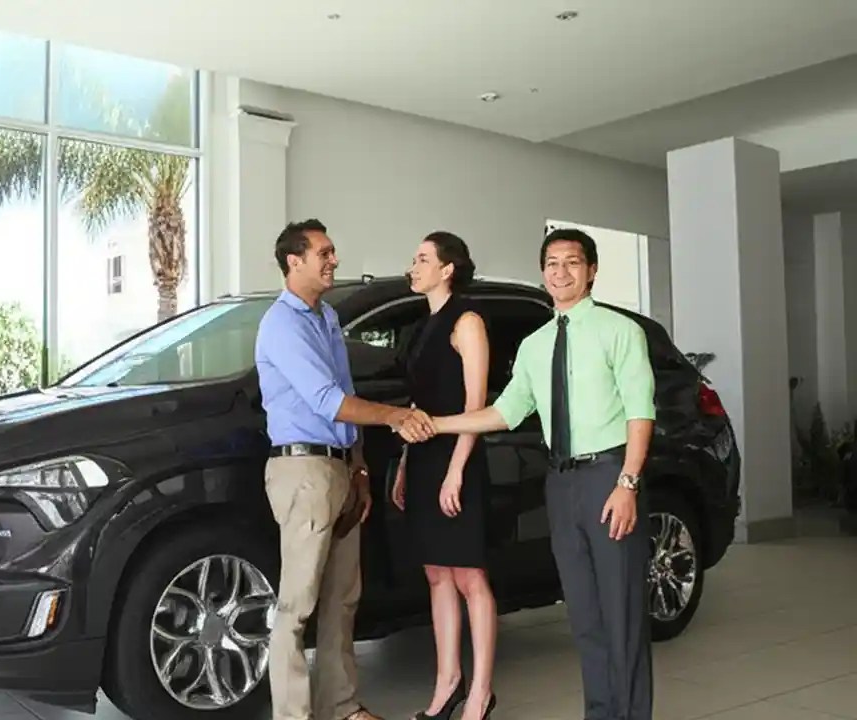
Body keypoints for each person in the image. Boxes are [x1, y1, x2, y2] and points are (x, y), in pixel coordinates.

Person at [416, 227, 655, 720]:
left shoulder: (620, 331)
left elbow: (640, 413)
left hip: (608, 478)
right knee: (585, 618)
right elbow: (504, 411)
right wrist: (436, 424)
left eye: (571, 262)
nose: (560, 272)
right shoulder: (535, 345)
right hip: (561, 483)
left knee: (622, 616)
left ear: (590, 271)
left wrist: (628, 482)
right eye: (551, 263)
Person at [255, 218, 431, 720]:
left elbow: (344, 391)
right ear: (294, 261)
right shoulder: (282, 324)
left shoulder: (326, 318)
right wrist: (397, 416)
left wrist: (357, 470)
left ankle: (342, 708)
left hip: (338, 469)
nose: (334, 260)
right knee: (297, 608)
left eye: (332, 252)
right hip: (302, 471)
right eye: (324, 253)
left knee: (342, 601)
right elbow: (327, 399)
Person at [391, 232, 496, 720]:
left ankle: (480, 693)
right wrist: (408, 466)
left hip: (461, 456)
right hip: (426, 457)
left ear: (448, 268)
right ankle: (447, 682)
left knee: (470, 575)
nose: (414, 267)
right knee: (437, 574)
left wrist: (455, 470)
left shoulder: (467, 320)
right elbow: (418, 406)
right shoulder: (421, 327)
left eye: (423, 259)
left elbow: (476, 407)